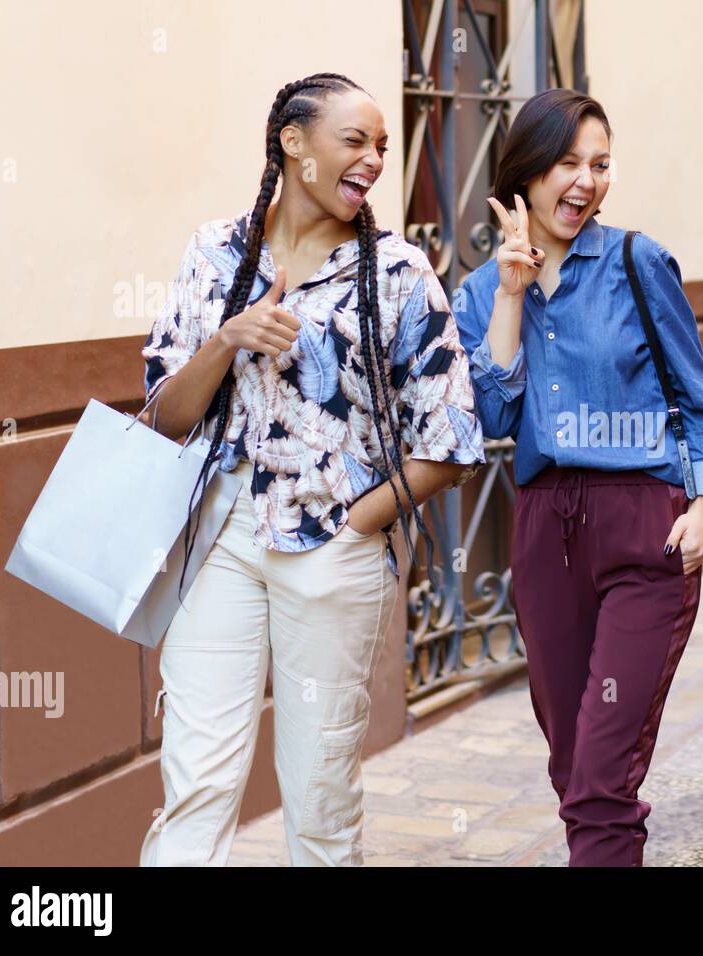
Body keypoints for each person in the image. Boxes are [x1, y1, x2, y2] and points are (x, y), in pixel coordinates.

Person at [136, 72, 485, 866]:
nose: (372, 160)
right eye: (354, 140)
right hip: (217, 542)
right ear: (293, 143)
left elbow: (452, 439)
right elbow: (163, 417)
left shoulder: (398, 273)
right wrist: (229, 339)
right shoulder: (216, 252)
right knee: (195, 784)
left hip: (332, 552)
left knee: (321, 797)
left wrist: (355, 525)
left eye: (382, 147)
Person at [453, 88, 703, 866]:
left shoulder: (638, 264)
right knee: (573, 765)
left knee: (602, 778)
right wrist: (510, 295)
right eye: (567, 163)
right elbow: (492, 420)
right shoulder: (479, 295)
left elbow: (699, 397)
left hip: (647, 525)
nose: (585, 181)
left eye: (600, 165)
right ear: (525, 172)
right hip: (547, 530)